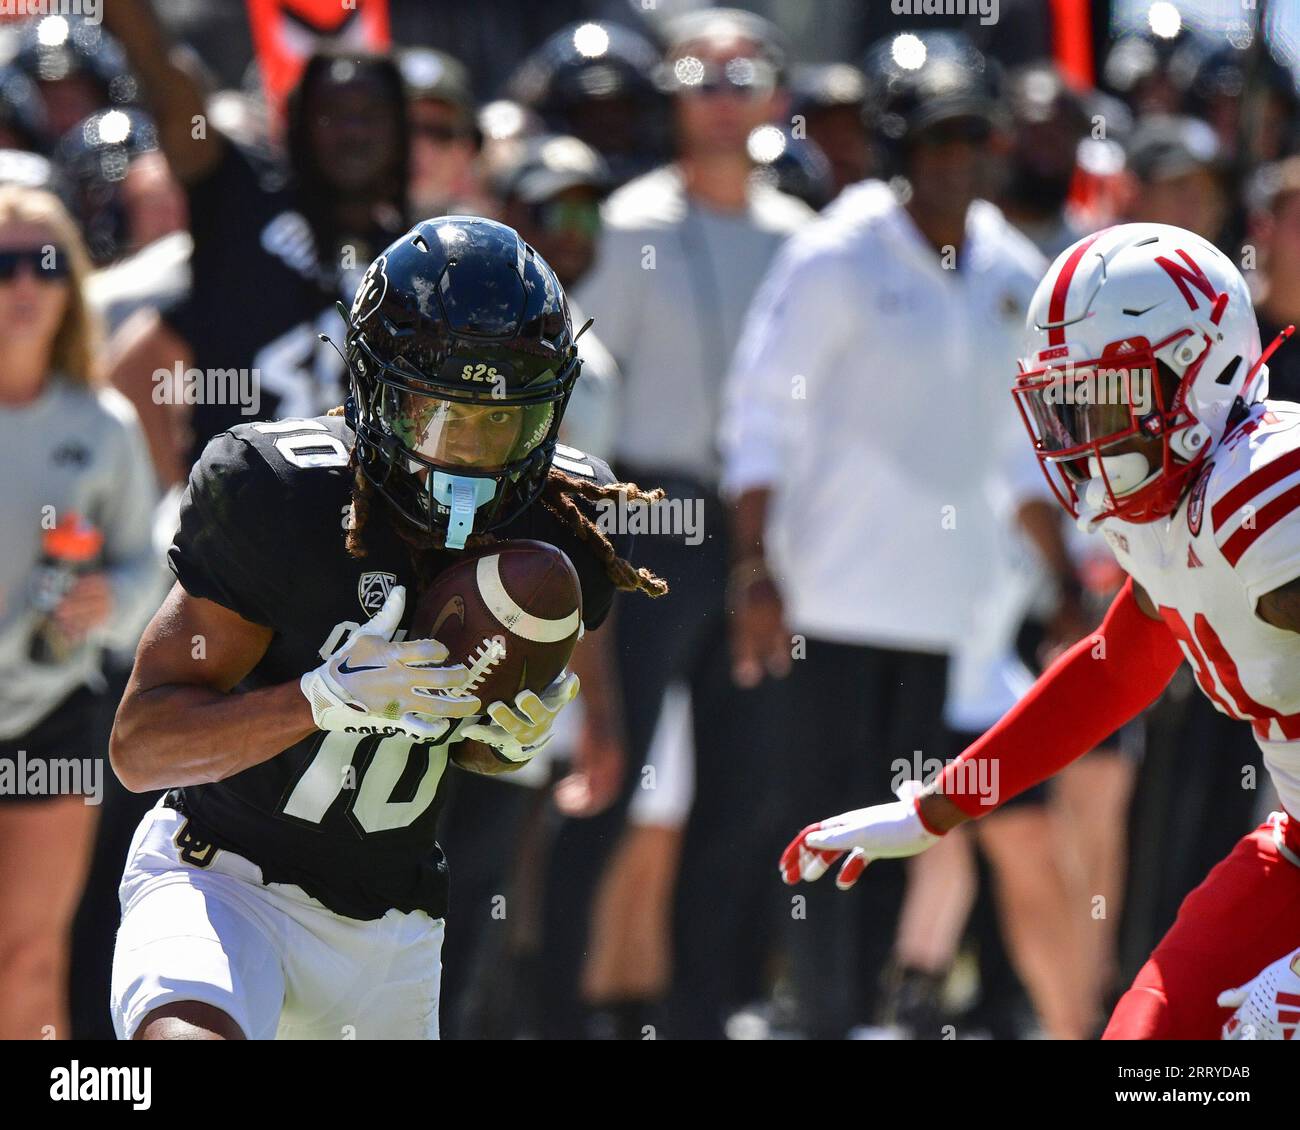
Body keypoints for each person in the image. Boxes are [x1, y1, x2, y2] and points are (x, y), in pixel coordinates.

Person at [108, 216, 666, 1041]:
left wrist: (499, 736)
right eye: (433, 413)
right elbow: (140, 748)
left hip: (389, 928)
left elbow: (437, 742)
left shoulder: (554, 537)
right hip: (220, 882)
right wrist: (318, 698)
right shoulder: (281, 496)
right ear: (372, 389)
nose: (464, 454)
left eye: (498, 419)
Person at [780, 220, 1300, 1040]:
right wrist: (936, 807)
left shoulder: (1267, 493)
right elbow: (1114, 671)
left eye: (1108, 400)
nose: (1085, 438)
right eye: (1068, 402)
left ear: (1207, 373)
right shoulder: (1179, 500)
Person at [540, 6, 812, 1040]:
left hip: (756, 536)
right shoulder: (629, 224)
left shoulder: (801, 238)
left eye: (744, 76)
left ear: (775, 98)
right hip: (644, 519)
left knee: (745, 793)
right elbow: (580, 377)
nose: (722, 96)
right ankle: (550, 1014)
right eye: (701, 75)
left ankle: (708, 1011)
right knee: (604, 776)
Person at [0, 184, 157, 1039]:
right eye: (5, 264)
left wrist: (110, 599)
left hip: (55, 717)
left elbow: (143, 568)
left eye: (47, 263)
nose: (26, 283)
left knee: (30, 957)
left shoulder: (104, 424)